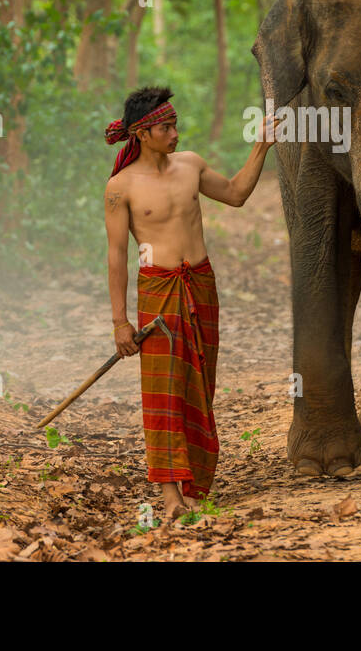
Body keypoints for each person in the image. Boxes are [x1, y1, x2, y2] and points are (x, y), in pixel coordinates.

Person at [103, 86, 274, 520]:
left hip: (200, 284)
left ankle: (194, 484)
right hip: (157, 292)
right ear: (143, 133)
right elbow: (117, 259)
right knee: (163, 393)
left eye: (175, 124)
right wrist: (120, 322)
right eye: (166, 126)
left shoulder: (191, 166)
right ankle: (170, 496)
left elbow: (236, 194)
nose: (175, 133)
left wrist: (262, 146)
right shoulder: (119, 188)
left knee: (199, 385)